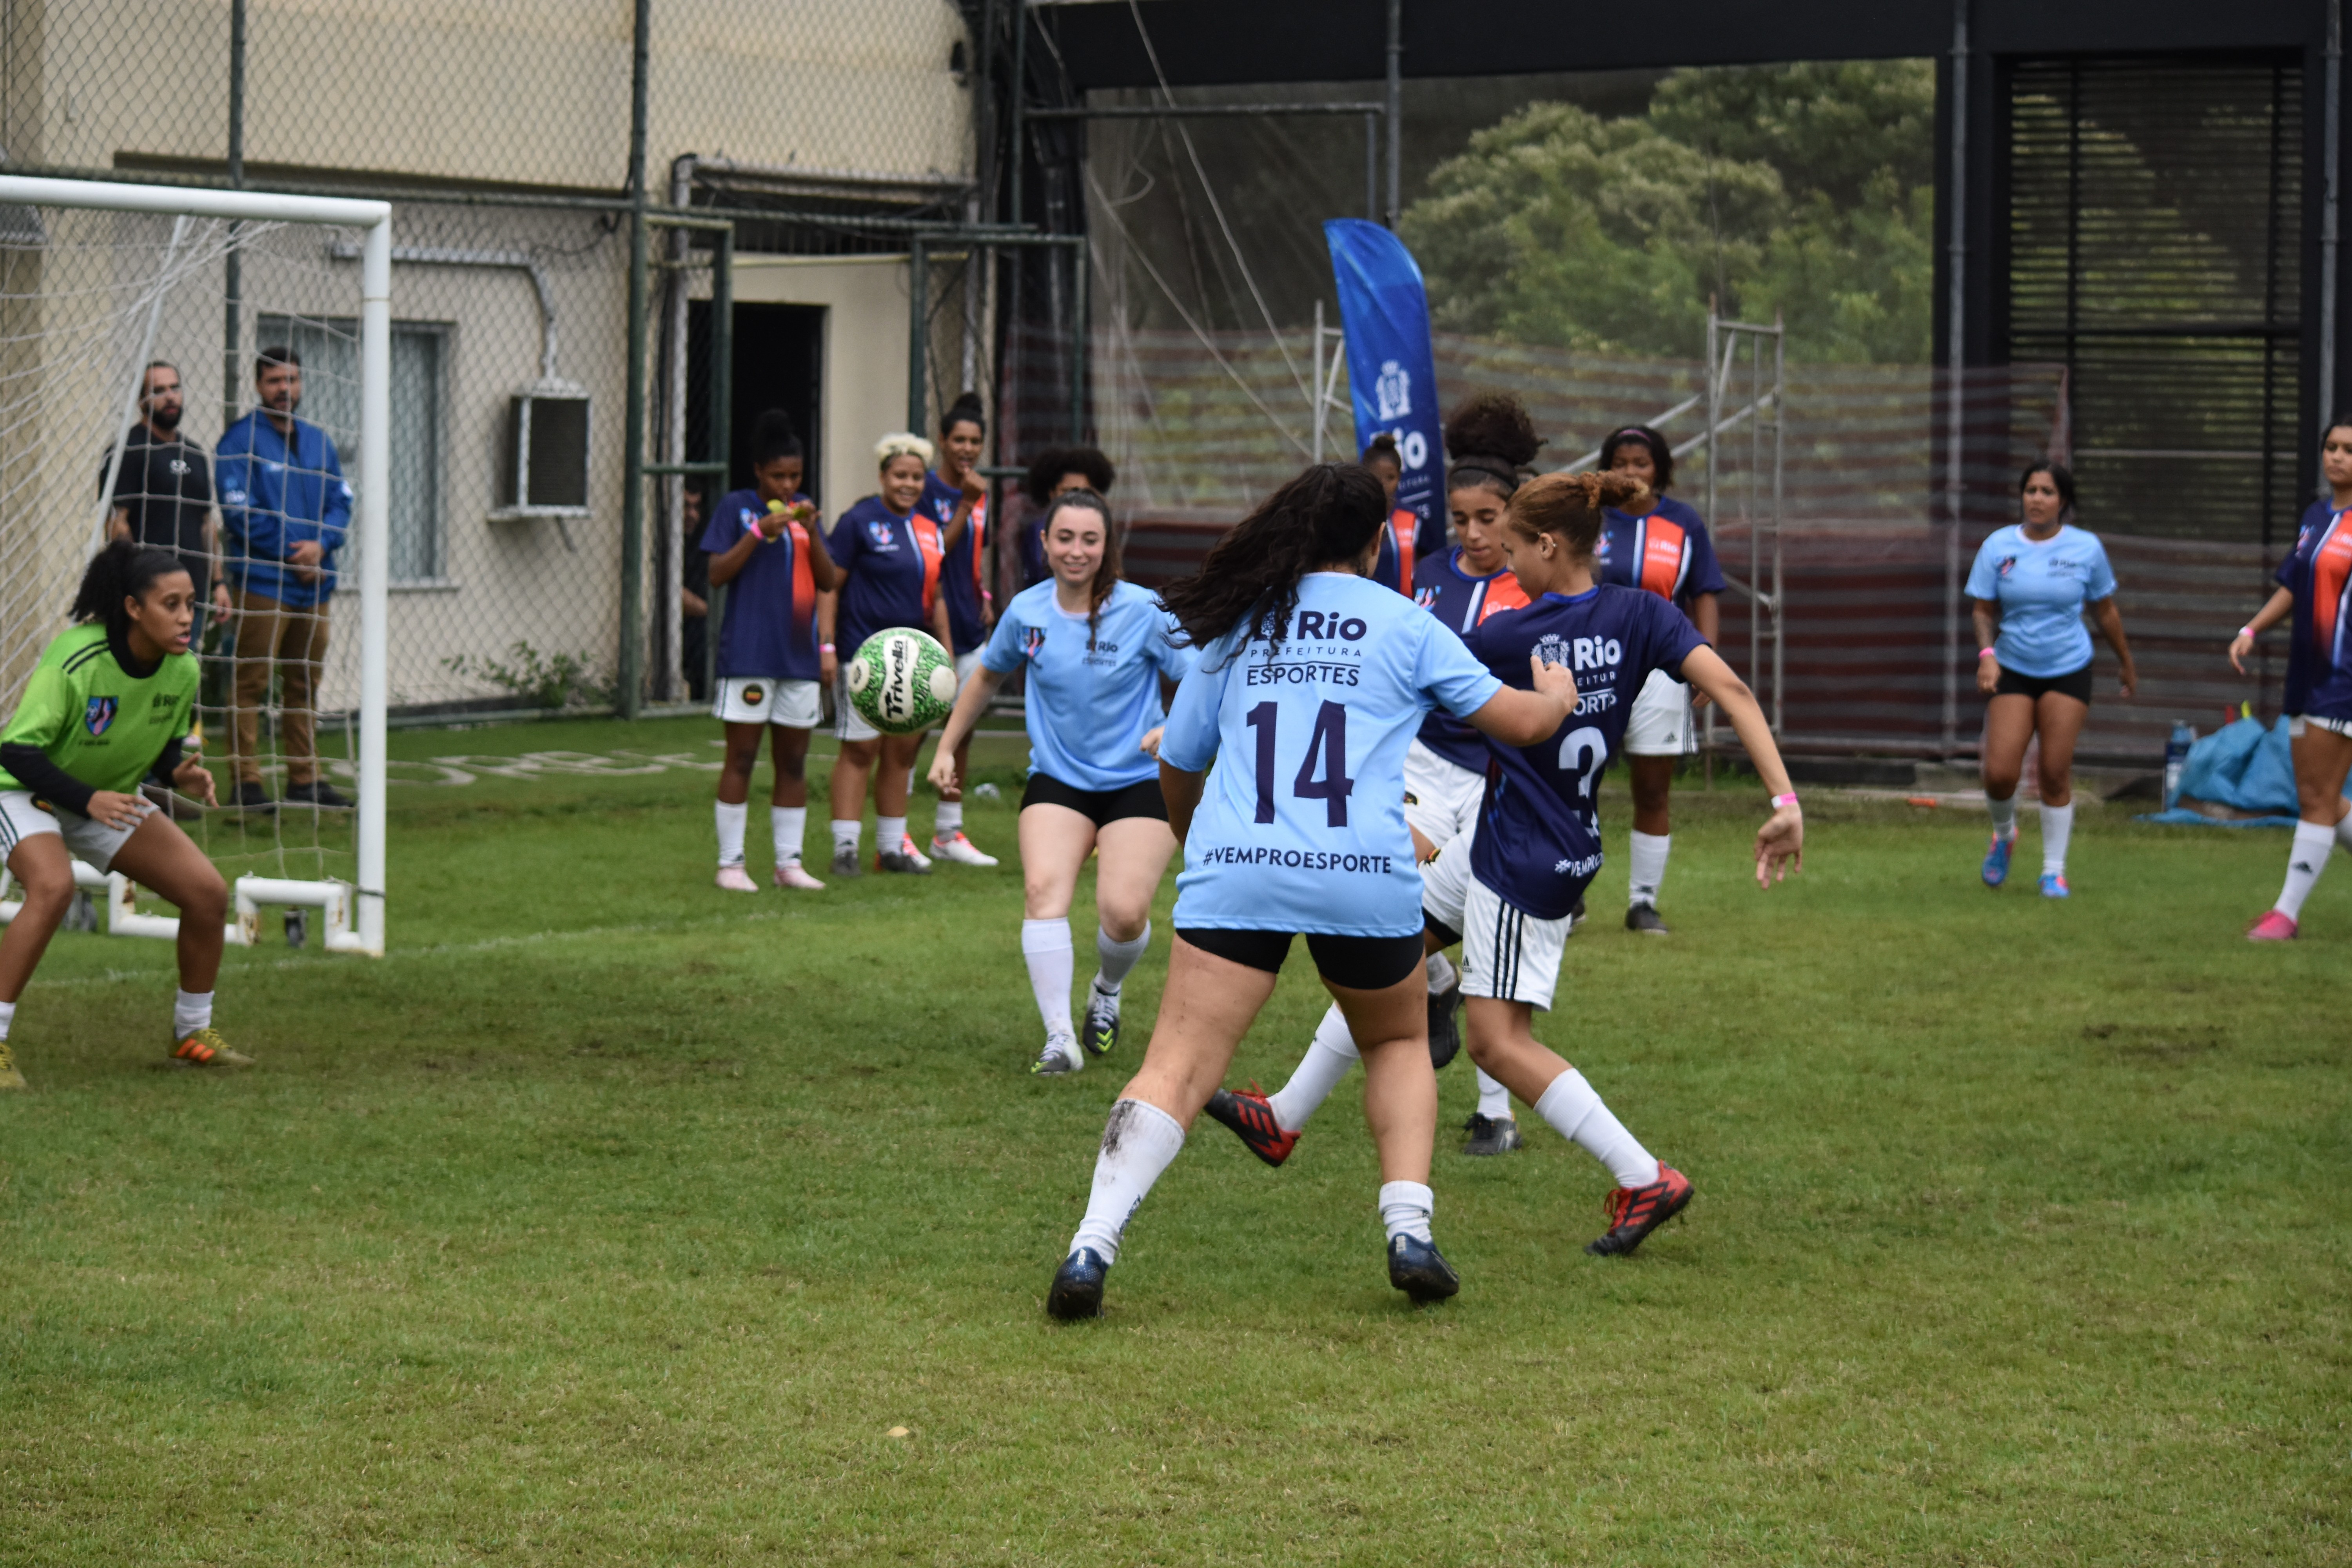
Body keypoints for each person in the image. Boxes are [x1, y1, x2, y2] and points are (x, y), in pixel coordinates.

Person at [1204, 474, 1807, 1258]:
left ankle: (1644, 1174)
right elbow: (1729, 686)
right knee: (1392, 948)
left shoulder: (1513, 634)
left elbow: (1396, 685)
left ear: (1547, 546)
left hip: (1528, 858)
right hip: (1519, 836)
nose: (1504, 561)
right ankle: (1283, 1115)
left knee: (1496, 1042)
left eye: (1514, 544)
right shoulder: (1643, 612)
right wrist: (1784, 797)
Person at [1042, 463, 1578, 1321]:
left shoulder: (1246, 619)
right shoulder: (1406, 622)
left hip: (1239, 864)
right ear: (1375, 542)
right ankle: (1409, 1232)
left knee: (1174, 1066)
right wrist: (1553, 696)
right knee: (1399, 1042)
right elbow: (1518, 723)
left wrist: (1197, 841)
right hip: (1362, 872)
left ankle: (1091, 1244)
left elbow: (1179, 761)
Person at [927, 489, 1195, 1073]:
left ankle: (1106, 990)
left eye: (1090, 540)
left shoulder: (1145, 609)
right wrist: (947, 746)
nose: (1077, 551)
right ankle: (1059, 1040)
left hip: (1137, 781)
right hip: (1058, 781)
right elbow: (984, 681)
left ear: (1107, 547)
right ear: (1045, 543)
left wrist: (1173, 729)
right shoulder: (1027, 613)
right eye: (1065, 538)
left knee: (1123, 913)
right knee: (1043, 891)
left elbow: (1204, 680)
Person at [0, 544, 245, 1090]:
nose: (186, 618)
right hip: (22, 791)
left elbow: (160, 747)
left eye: (191, 604)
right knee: (53, 886)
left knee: (207, 893)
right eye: (172, 604)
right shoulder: (76, 656)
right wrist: (88, 800)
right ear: (134, 608)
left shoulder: (183, 670)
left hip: (103, 796)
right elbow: (15, 750)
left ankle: (191, 1034)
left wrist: (178, 772)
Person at [1967, 462, 2136, 898]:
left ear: (2063, 501)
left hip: (2068, 668)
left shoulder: (2086, 548)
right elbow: (1983, 610)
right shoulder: (1999, 546)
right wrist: (1987, 657)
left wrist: (2125, 661)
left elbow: (2105, 610)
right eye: (2030, 490)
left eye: (2047, 491)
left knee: (2054, 772)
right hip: (2013, 668)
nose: (2037, 499)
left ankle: (2053, 871)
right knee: (2000, 774)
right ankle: (2004, 836)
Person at [1598, 423, 1728, 935]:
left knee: (1652, 790)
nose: (1631, 473)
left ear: (1660, 470)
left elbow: (1705, 595)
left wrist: (1707, 663)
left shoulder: (1683, 524)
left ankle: (1642, 902)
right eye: (1622, 463)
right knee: (1571, 783)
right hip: (1594, 664)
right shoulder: (1589, 519)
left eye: (1642, 463)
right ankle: (1568, 895)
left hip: (1660, 671)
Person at [703, 412, 838, 893]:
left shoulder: (804, 513)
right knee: (741, 758)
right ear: (759, 471)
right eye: (778, 475)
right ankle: (731, 864)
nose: (787, 484)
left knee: (795, 762)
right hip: (749, 655)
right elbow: (717, 573)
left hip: (798, 658)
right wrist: (760, 532)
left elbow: (827, 580)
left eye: (795, 476)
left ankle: (789, 865)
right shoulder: (737, 507)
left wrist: (813, 531)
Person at [217, 345, 354, 814]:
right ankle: (247, 782)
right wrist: (292, 551)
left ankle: (305, 778)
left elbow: (342, 501)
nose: (285, 390)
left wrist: (322, 544)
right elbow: (238, 513)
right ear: (258, 385)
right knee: (251, 682)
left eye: (293, 380)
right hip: (263, 580)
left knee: (304, 682)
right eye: (276, 381)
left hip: (315, 582)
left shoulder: (319, 441)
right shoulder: (238, 442)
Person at [2233, 419, 2352, 939]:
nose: (2339, 457)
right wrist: (2251, 629)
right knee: (2325, 796)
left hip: (2343, 677)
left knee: (2316, 798)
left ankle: (2286, 913)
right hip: (2307, 673)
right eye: (2332, 447)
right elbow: (2294, 585)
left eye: (2350, 450)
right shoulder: (2315, 516)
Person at [820, 433, 956, 876]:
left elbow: (935, 596)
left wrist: (946, 652)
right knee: (859, 750)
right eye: (900, 475)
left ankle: (891, 849)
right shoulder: (859, 520)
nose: (909, 484)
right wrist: (826, 645)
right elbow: (830, 587)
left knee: (902, 753)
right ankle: (845, 849)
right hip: (865, 656)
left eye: (917, 477)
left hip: (914, 661)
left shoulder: (929, 528)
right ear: (883, 476)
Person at [920, 392, 999, 868]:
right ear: (942, 442)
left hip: (971, 624)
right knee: (912, 732)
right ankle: (892, 836)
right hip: (930, 625)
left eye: (975, 442)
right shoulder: (927, 490)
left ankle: (948, 833)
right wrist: (967, 504)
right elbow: (934, 554)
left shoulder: (979, 490)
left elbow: (971, 553)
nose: (967, 450)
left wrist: (983, 594)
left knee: (962, 730)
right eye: (959, 441)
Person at [103, 361, 232, 646]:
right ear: (141, 401)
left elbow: (205, 524)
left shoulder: (195, 454)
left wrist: (218, 583)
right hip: (149, 597)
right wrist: (136, 578)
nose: (170, 396)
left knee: (181, 678)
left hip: (190, 596)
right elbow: (116, 522)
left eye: (175, 388)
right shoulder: (129, 449)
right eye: (158, 390)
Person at [1017, 446, 1116, 588]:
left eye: (1090, 540)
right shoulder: (1038, 529)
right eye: (1064, 538)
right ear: (1052, 494)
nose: (1075, 497)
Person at [1359, 433, 1425, 597]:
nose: (1383, 484)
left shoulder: (1412, 518)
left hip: (1404, 610)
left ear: (1400, 478)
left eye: (1391, 477)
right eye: (1377, 477)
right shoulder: (1353, 517)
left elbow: (1427, 563)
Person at [681, 481, 711, 702]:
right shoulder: (661, 538)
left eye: (697, 508)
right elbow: (672, 595)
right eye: (685, 506)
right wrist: (712, 611)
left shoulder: (704, 542)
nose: (691, 514)